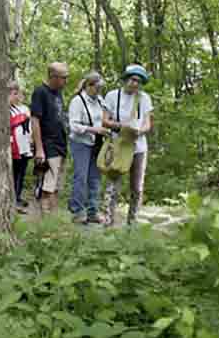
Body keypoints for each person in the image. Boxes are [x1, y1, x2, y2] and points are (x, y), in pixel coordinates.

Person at [101, 64, 154, 226]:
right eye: (132, 79)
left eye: (139, 81)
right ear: (125, 79)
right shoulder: (112, 96)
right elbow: (104, 120)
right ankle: (108, 222)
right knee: (112, 185)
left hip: (138, 148)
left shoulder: (144, 98)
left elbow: (147, 123)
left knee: (137, 187)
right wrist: (121, 127)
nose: (135, 83)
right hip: (118, 145)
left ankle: (133, 223)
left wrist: (139, 131)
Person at [67, 71, 110, 224]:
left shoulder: (100, 100)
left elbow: (105, 119)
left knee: (95, 178)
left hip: (97, 143)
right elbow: (73, 125)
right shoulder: (77, 101)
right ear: (89, 86)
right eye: (97, 87)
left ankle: (93, 211)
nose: (99, 90)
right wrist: (93, 129)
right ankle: (77, 211)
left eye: (101, 88)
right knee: (81, 176)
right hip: (80, 143)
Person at [30, 62, 69, 213]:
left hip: (60, 144)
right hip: (48, 145)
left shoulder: (58, 92)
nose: (66, 81)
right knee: (48, 186)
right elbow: (35, 120)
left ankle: (53, 219)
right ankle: (46, 220)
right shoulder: (40, 92)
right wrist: (39, 149)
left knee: (56, 185)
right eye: (63, 78)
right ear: (53, 77)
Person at [9, 82, 33, 210]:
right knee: (13, 172)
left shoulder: (24, 108)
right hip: (13, 145)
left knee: (21, 172)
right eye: (13, 94)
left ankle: (17, 196)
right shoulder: (5, 109)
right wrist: (21, 118)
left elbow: (29, 126)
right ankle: (12, 197)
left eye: (17, 93)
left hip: (24, 145)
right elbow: (8, 123)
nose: (16, 96)